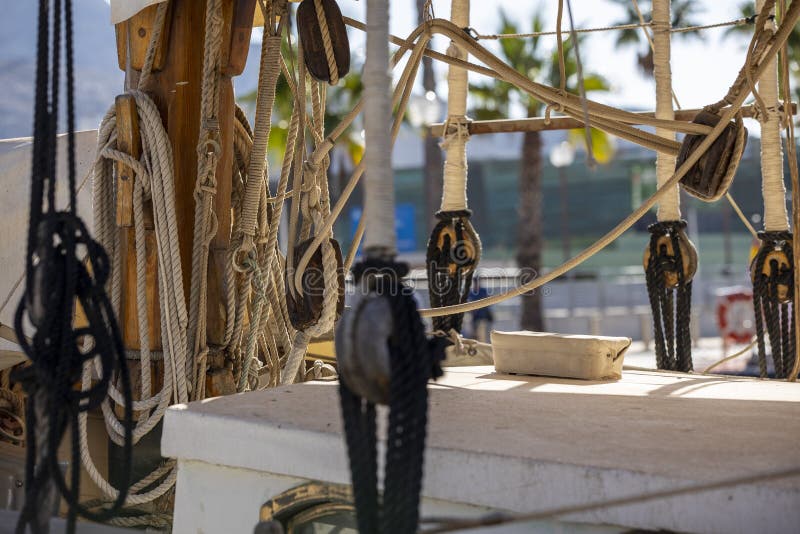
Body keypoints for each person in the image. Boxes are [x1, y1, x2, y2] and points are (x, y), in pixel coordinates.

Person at [468, 277, 493, 342]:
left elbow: (488, 301)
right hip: (476, 315)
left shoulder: (483, 291)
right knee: (474, 332)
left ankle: (488, 342)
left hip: (484, 314)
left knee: (487, 331)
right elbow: (469, 302)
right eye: (475, 282)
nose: (476, 283)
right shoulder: (472, 292)